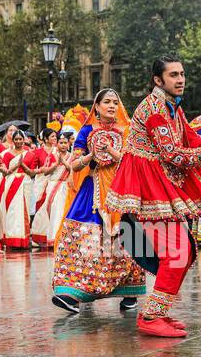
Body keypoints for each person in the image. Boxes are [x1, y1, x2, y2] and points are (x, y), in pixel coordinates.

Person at [105, 57, 201, 337]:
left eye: (182, 74)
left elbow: (190, 140)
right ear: (158, 80)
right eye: (173, 75)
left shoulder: (172, 108)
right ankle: (151, 316)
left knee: (184, 251)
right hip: (147, 188)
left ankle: (158, 313)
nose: (180, 79)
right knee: (176, 252)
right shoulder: (155, 109)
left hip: (159, 184)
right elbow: (172, 154)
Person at [51, 88, 147, 312]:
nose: (112, 106)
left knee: (124, 239)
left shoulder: (127, 131)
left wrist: (111, 151)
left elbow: (133, 161)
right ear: (97, 107)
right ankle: (72, 293)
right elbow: (74, 165)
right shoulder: (85, 131)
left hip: (121, 191)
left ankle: (129, 291)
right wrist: (91, 156)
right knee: (81, 238)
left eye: (115, 102)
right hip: (92, 190)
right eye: (107, 102)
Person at [0, 127, 32, 250]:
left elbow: (32, 173)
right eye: (16, 139)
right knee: (12, 211)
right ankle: (12, 239)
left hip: (25, 183)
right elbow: (4, 173)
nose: (18, 141)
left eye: (20, 139)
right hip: (11, 183)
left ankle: (24, 240)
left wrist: (22, 165)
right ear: (12, 140)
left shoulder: (30, 154)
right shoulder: (6, 154)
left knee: (24, 211)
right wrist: (16, 166)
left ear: (24, 140)